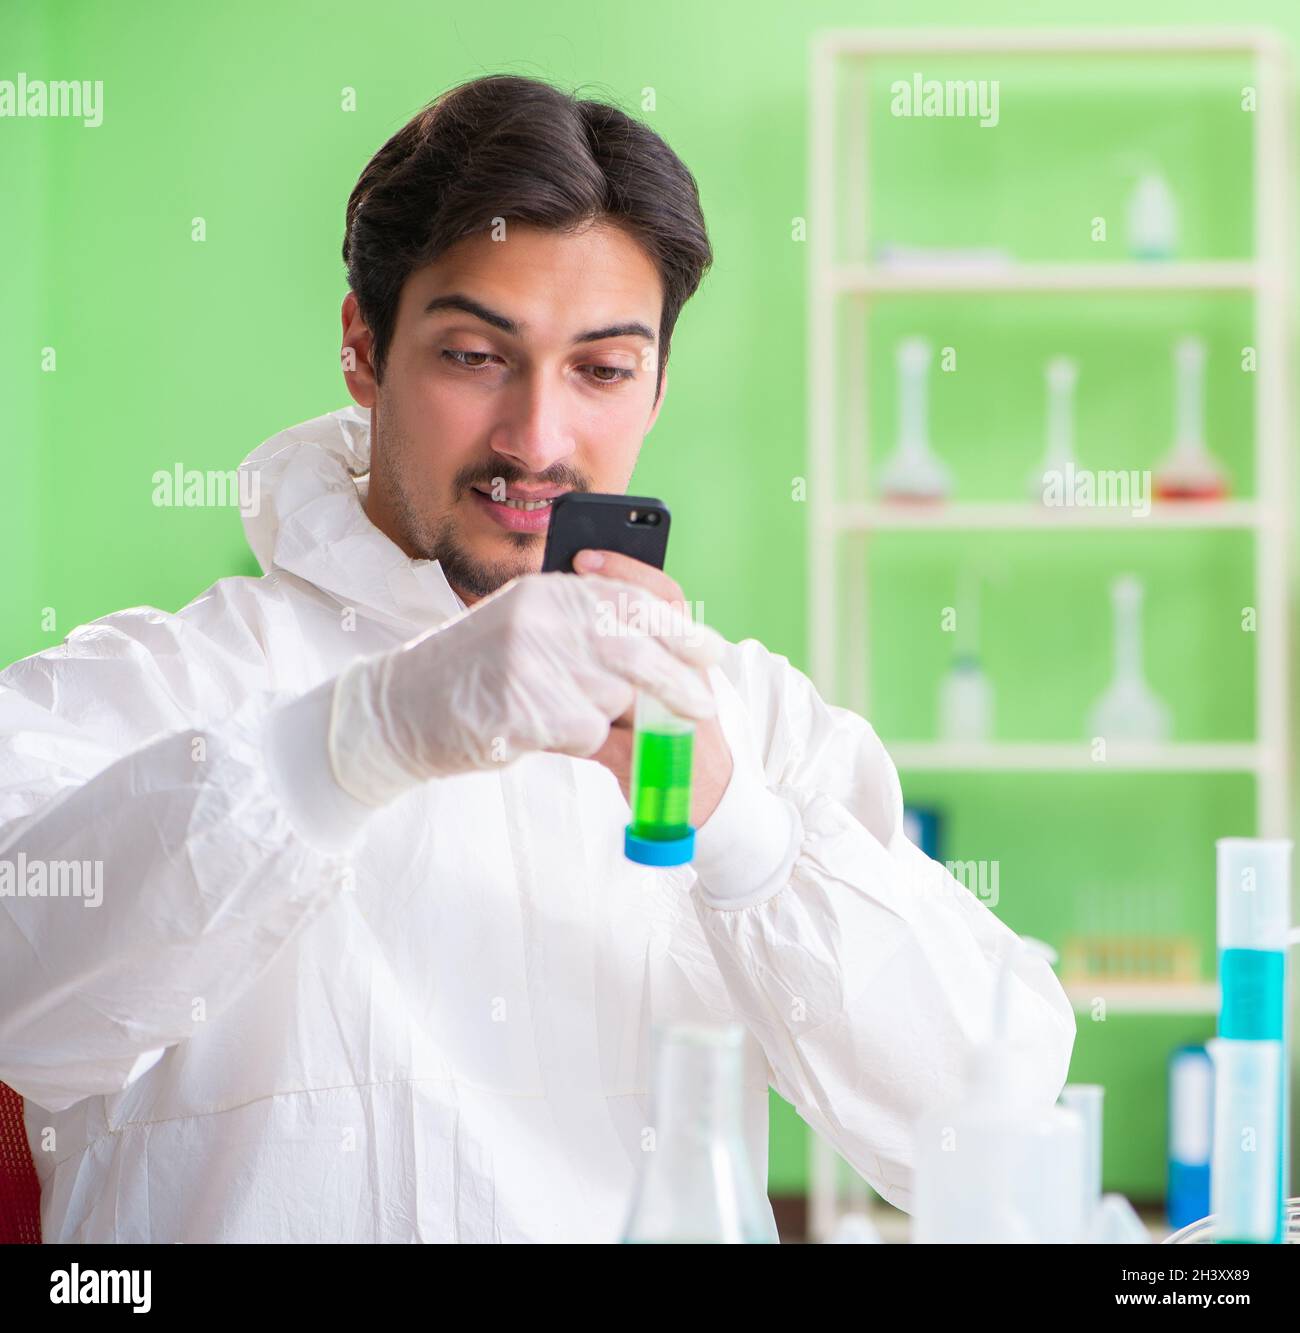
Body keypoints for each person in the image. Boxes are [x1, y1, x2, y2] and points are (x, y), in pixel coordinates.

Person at [0, 73, 1074, 1243]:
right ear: (364, 346)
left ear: (657, 384)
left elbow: (990, 1123)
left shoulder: (747, 719)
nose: (538, 438)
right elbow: (22, 999)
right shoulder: (155, 684)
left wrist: (741, 828)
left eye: (602, 369)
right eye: (474, 354)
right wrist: (360, 738)